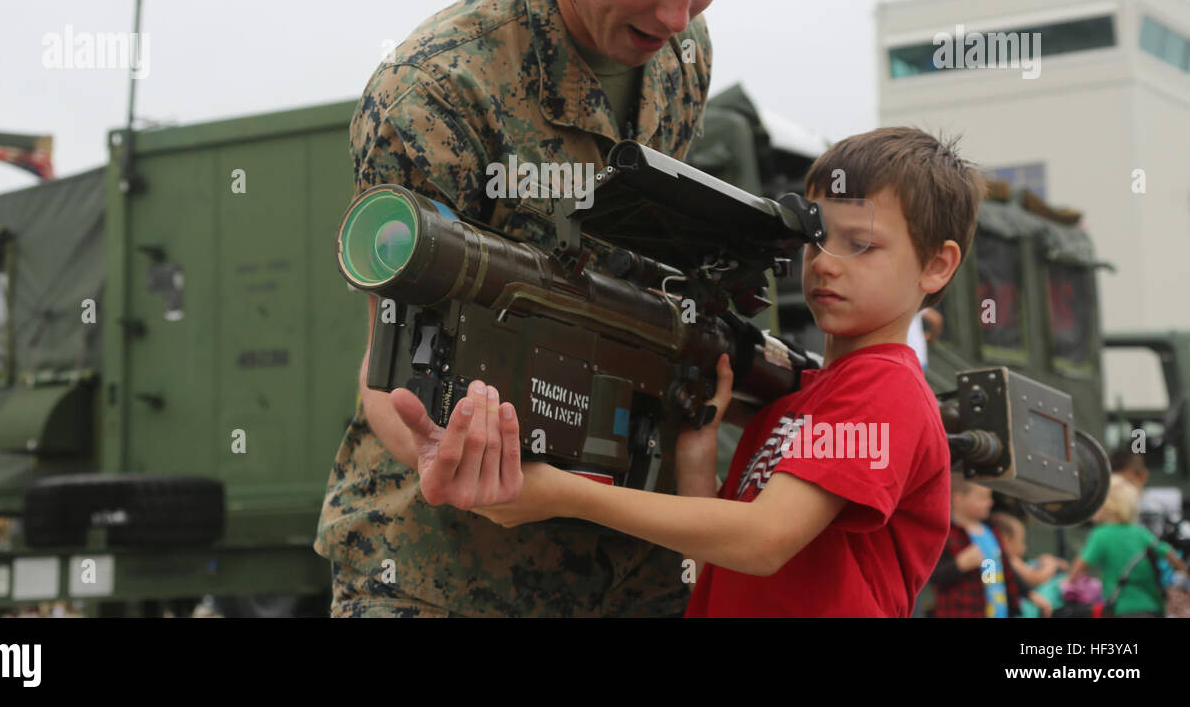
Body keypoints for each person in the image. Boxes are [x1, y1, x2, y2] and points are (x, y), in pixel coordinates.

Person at [313, 0, 758, 616]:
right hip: (445, 574)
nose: (677, 13)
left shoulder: (686, 54)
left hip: (629, 565)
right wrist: (448, 448)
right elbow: (386, 372)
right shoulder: (437, 90)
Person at [405, 126, 988, 616]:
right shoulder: (802, 400)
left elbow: (764, 541)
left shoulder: (885, 385)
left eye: (860, 245)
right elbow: (720, 560)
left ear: (936, 265)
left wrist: (565, 494)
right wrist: (697, 449)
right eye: (817, 242)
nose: (825, 265)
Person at [1063, 474, 1188, 617]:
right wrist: (1183, 570)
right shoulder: (1140, 532)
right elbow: (1168, 552)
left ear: (1105, 504)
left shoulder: (1102, 534)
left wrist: (1068, 581)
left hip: (1125, 608)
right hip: (1154, 607)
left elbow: (1080, 566)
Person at [930, 479, 1052, 617]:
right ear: (958, 499)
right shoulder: (946, 534)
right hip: (963, 611)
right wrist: (960, 565)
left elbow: (1006, 568)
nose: (990, 502)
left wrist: (1030, 594)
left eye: (989, 497)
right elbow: (934, 576)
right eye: (982, 498)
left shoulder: (991, 530)